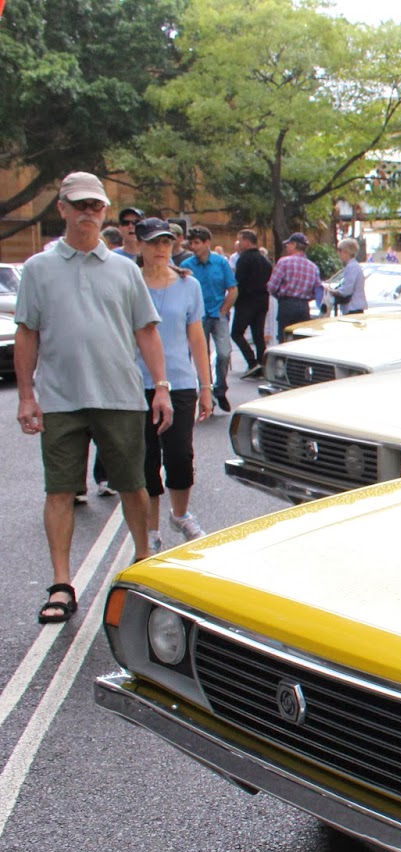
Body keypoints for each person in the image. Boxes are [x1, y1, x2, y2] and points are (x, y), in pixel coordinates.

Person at [13, 172, 173, 623]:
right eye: (79, 205)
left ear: (104, 211)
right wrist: (27, 397)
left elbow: (147, 330)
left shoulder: (124, 269)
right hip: (61, 399)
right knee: (59, 490)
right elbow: (27, 333)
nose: (88, 213)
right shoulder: (39, 269)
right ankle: (62, 584)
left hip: (120, 396)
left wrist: (161, 388)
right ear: (61, 208)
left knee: (133, 486)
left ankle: (143, 564)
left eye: (96, 206)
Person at [135, 218, 214, 551]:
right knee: (146, 458)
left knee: (180, 455)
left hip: (180, 381)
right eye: (153, 243)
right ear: (139, 244)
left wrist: (206, 385)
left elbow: (196, 336)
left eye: (166, 243)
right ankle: (151, 530)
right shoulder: (130, 282)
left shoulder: (188, 285)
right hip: (137, 382)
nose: (160, 250)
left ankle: (179, 514)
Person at [177, 225, 237, 412]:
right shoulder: (187, 266)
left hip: (217, 314)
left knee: (224, 352)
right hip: (197, 317)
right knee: (200, 356)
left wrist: (224, 309)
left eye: (197, 243)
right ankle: (207, 391)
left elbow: (233, 289)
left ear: (207, 243)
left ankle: (220, 388)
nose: (193, 247)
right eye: (191, 243)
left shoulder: (220, 263)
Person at [230, 229, 271, 379]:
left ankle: (252, 362)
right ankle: (262, 363)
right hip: (262, 301)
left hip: (246, 301)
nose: (239, 244)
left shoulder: (244, 259)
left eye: (240, 241)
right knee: (258, 334)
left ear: (247, 242)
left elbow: (238, 281)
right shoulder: (264, 259)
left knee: (236, 333)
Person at [267, 231, 319, 338]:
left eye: (289, 244)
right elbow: (317, 291)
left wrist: (279, 294)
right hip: (304, 307)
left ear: (294, 245)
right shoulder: (313, 267)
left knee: (285, 338)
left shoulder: (284, 262)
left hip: (287, 304)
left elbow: (272, 286)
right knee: (300, 339)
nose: (287, 246)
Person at [330, 238, 367, 315]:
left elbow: (346, 291)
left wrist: (331, 291)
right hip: (354, 307)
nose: (338, 253)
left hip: (353, 308)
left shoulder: (352, 267)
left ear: (347, 251)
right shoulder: (353, 266)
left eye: (340, 250)